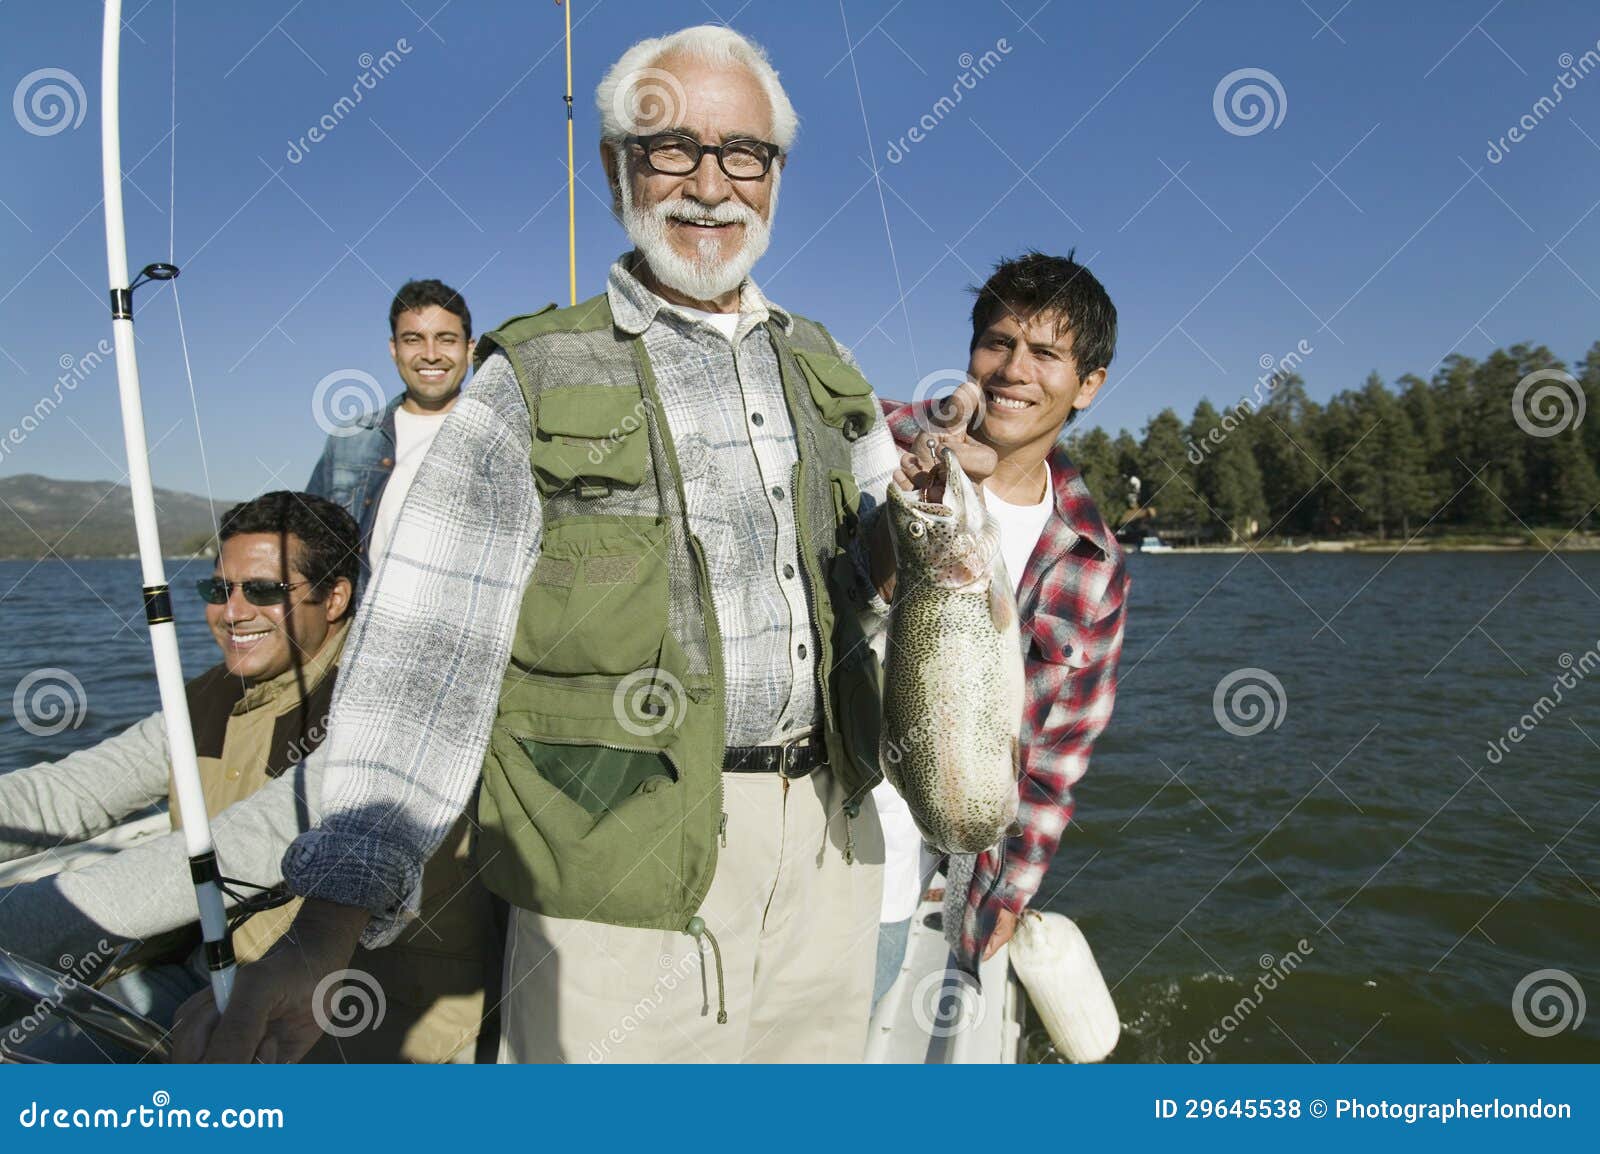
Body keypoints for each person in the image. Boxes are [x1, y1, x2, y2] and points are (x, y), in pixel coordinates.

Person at [174, 25, 908, 1065]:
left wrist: (912, 542)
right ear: (616, 169)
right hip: (611, 874)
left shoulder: (833, 371)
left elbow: (878, 604)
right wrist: (325, 927)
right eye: (670, 147)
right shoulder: (523, 380)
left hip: (835, 856)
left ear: (776, 175)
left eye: (743, 151)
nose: (710, 183)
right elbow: (428, 660)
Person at [0, 492, 490, 1063]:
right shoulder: (211, 696)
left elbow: (246, 843)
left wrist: (24, 922)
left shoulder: (390, 705)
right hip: (208, 969)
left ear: (334, 598)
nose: (231, 612)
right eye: (219, 590)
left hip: (349, 1002)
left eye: (262, 591)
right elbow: (67, 794)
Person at [883, 251, 1130, 976]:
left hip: (904, 878)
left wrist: (1009, 894)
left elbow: (1056, 759)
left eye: (1045, 354)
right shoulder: (878, 444)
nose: (1014, 369)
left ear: (1088, 385)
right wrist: (924, 457)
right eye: (998, 343)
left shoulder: (1095, 564)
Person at [306, 279, 475, 569]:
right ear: (394, 349)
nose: (431, 354)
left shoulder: (508, 436)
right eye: (413, 339)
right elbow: (310, 542)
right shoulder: (351, 440)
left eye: (446, 339)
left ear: (470, 349)